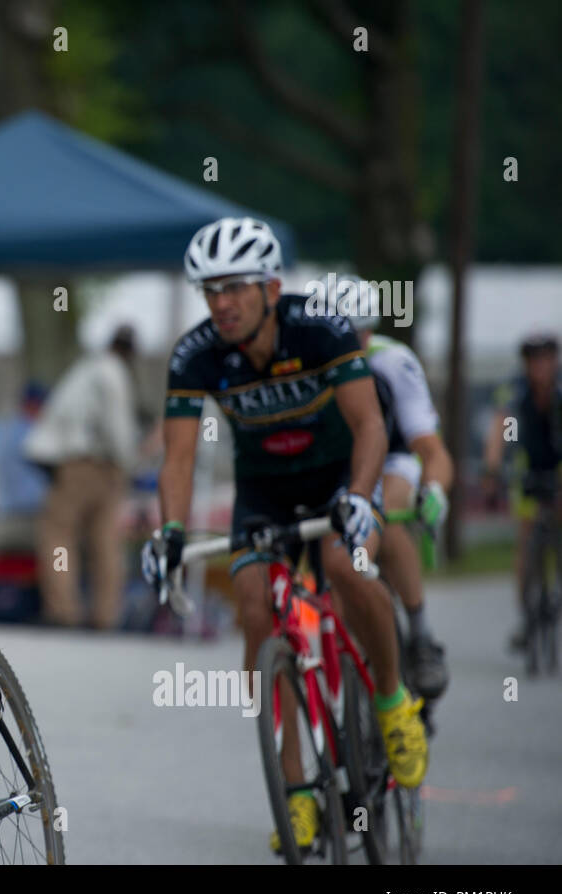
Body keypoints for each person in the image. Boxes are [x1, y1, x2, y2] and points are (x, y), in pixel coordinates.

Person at [141, 218, 428, 855]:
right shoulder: (195, 356)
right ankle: (296, 788)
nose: (222, 303)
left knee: (346, 568)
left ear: (272, 287)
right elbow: (180, 459)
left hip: (340, 478)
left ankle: (391, 700)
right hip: (264, 493)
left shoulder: (320, 330)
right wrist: (171, 533)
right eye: (210, 290)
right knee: (252, 608)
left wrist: (358, 497)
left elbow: (371, 426)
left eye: (236, 287)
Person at [327, 274, 452, 703]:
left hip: (394, 460)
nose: (344, 345)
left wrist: (435, 489)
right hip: (339, 466)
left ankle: (419, 635)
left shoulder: (392, 362)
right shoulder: (307, 365)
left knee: (389, 510)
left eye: (354, 334)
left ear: (369, 331)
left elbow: (431, 449)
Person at [23, 325, 141, 629]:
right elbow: (119, 428)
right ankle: (106, 614)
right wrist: (128, 464)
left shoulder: (94, 368)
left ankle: (64, 611)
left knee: (59, 535)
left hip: (79, 464)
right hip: (107, 466)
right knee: (105, 541)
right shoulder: (114, 372)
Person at [482, 331, 562, 650]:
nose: (540, 368)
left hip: (558, 464)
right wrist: (491, 470)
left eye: (546, 360)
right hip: (528, 465)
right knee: (526, 535)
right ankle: (526, 614)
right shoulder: (514, 389)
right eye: (534, 362)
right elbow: (499, 428)